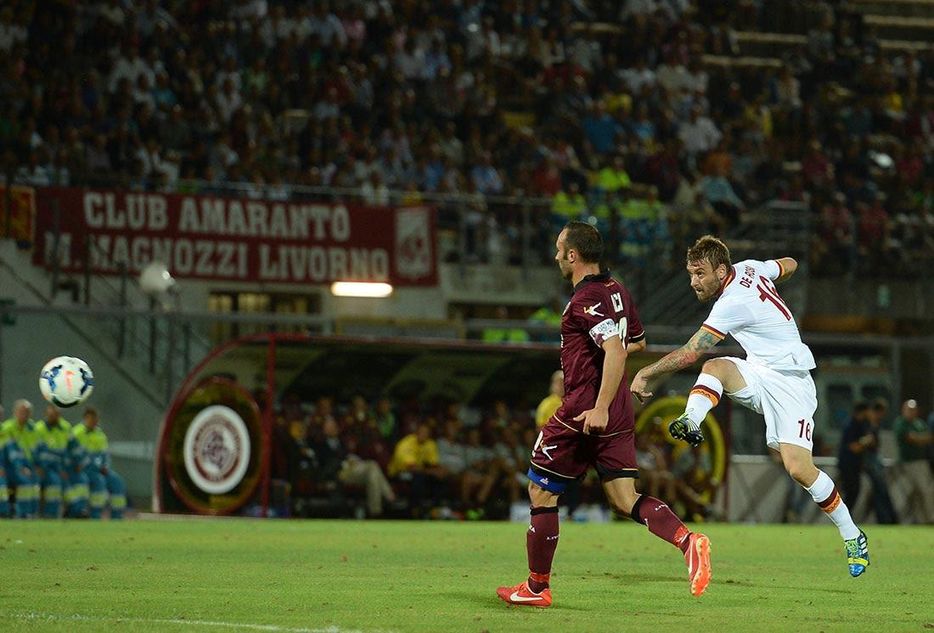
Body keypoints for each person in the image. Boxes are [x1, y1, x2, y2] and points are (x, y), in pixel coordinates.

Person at [497, 221, 711, 608]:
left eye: (560, 249)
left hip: (585, 409)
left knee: (541, 490)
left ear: (573, 255)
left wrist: (596, 404)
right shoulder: (617, 290)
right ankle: (687, 542)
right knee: (623, 497)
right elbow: (637, 341)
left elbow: (615, 349)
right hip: (618, 409)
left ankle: (536, 587)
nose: (556, 255)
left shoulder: (586, 299)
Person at [631, 235, 869, 577]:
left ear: (721, 270)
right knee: (715, 367)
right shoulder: (750, 268)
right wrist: (781, 273)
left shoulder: (731, 302)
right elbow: (790, 263)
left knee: (799, 469)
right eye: (690, 273)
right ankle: (691, 419)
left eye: (700, 273)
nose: (693, 282)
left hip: (791, 381)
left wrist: (647, 374)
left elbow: (691, 350)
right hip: (759, 369)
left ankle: (852, 534)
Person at [73, 407, 127, 519]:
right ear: (85, 418)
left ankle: (117, 516)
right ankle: (95, 515)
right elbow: (74, 454)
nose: (94, 422)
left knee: (117, 482)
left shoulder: (100, 435)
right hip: (84, 470)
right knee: (99, 481)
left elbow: (105, 454)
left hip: (99, 469)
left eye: (95, 419)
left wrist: (105, 467)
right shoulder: (76, 433)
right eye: (91, 419)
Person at [893, 399, 933, 523]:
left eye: (913, 409)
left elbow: (925, 437)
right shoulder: (901, 423)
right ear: (903, 410)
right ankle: (907, 520)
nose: (911, 412)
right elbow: (912, 438)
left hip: (920, 462)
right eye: (909, 409)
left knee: (925, 491)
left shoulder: (919, 423)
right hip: (907, 463)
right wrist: (925, 438)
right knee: (909, 494)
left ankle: (927, 519)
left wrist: (924, 438)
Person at [0, 399, 41, 518]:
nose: (24, 415)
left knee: (30, 481)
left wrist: (32, 466)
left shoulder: (32, 429)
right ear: (14, 412)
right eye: (22, 411)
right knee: (6, 483)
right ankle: (5, 513)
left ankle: (28, 513)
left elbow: (13, 452)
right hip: (8, 467)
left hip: (18, 466)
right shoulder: (8, 428)